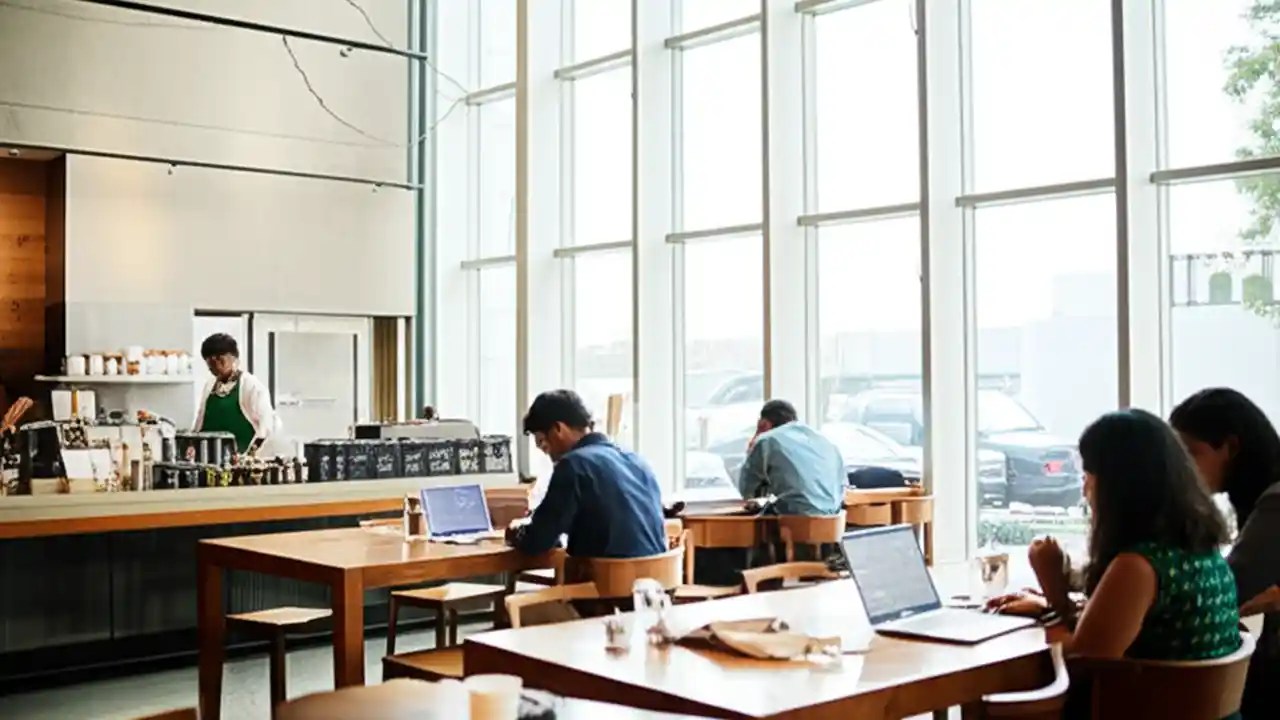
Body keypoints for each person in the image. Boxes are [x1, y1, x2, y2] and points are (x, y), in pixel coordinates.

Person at [990, 409, 1241, 671]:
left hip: (1143, 708)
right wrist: (1054, 607)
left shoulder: (1139, 566)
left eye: (1088, 476)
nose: (1084, 490)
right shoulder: (1202, 553)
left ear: (1117, 486)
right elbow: (1109, 637)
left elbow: (1084, 661)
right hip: (1200, 709)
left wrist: (1053, 591)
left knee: (998, 701)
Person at [1171, 388, 1280, 719]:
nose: (1183, 469)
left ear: (1231, 447)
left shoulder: (1276, 504)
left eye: (1190, 453)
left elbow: (1224, 591)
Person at [507, 389, 666, 559]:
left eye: (542, 442)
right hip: (657, 581)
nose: (544, 451)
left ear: (558, 429)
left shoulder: (573, 465)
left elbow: (538, 540)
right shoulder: (636, 460)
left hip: (603, 582)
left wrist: (516, 531)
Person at [738, 399, 845, 516]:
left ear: (763, 424)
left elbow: (747, 491)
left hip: (795, 521)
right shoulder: (824, 440)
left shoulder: (767, 440)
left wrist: (753, 446)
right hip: (834, 523)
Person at [192, 333, 277, 454]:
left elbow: (266, 428)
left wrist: (250, 456)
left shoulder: (250, 385)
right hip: (210, 460)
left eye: (220, 360)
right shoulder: (209, 387)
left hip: (241, 462)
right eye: (210, 363)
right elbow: (199, 424)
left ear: (234, 358)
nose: (216, 366)